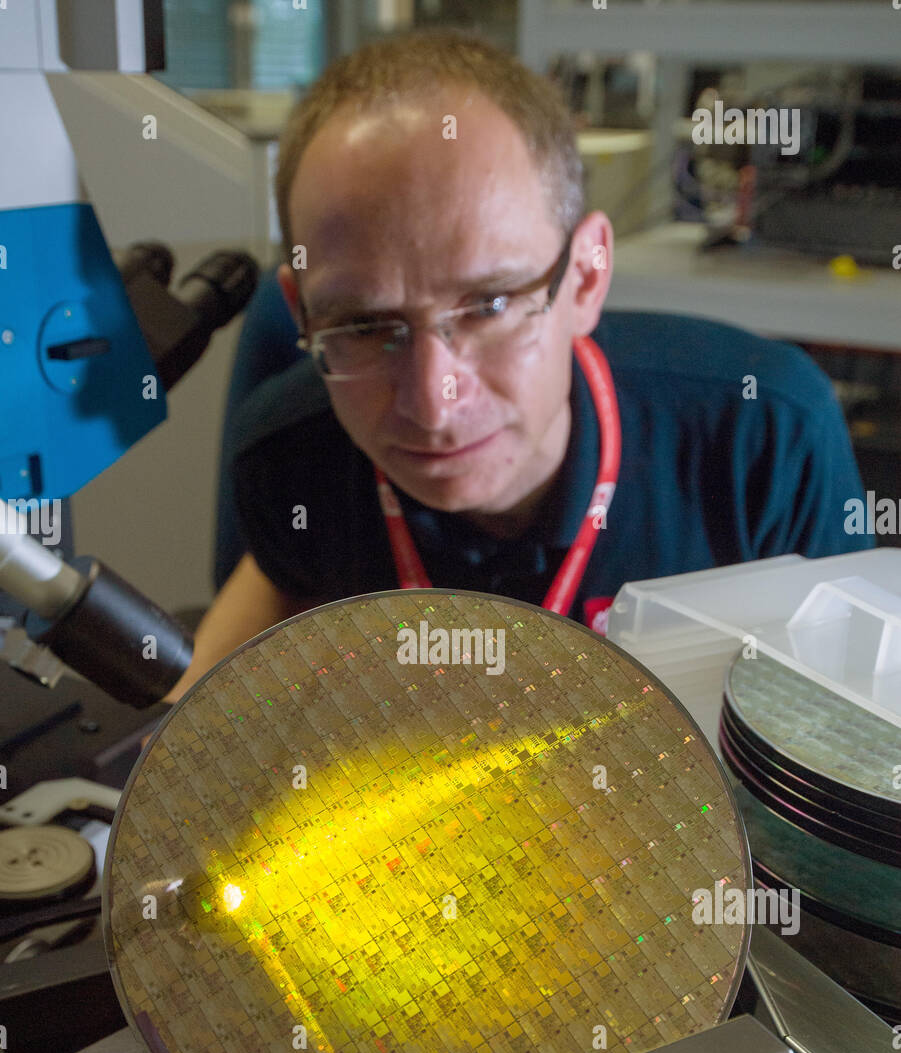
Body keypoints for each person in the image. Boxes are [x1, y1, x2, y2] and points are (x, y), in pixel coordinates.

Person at [160, 28, 871, 709]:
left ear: (586, 277)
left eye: (488, 304)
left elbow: (850, 738)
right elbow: (218, 696)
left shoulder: (764, 441)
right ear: (300, 310)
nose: (432, 407)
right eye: (364, 325)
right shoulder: (288, 458)